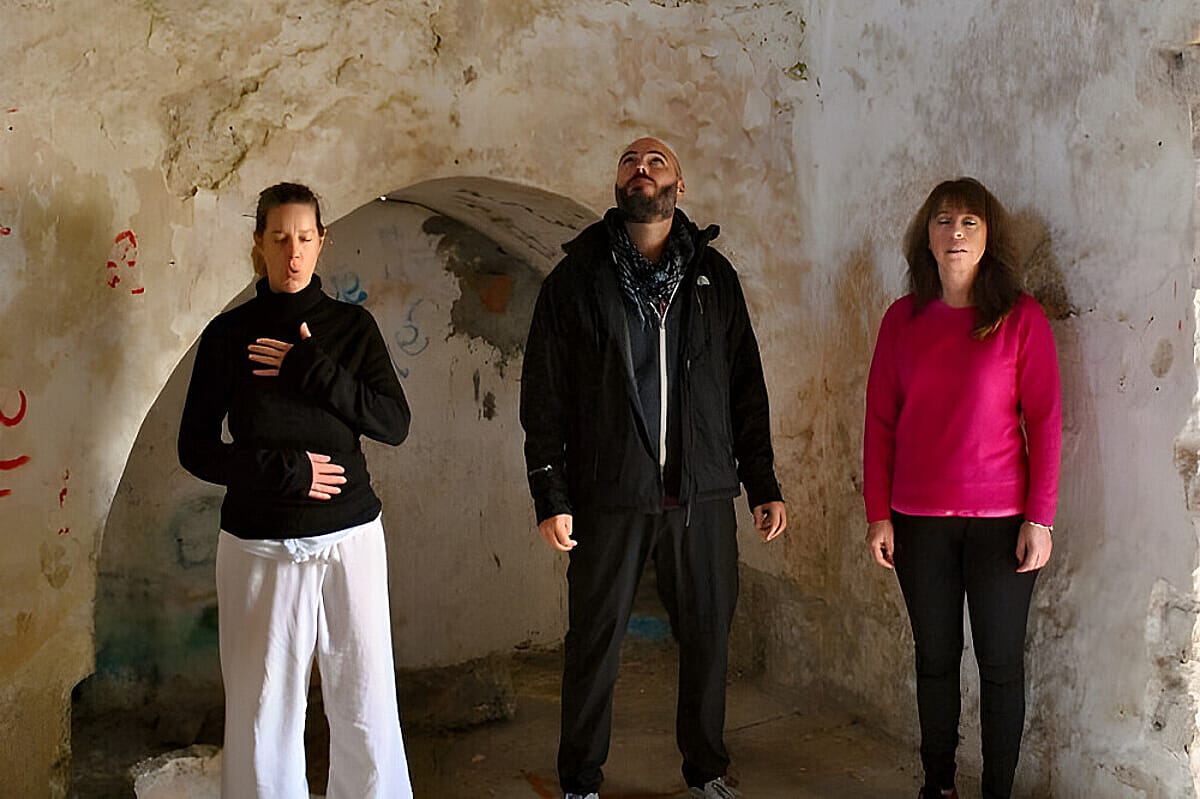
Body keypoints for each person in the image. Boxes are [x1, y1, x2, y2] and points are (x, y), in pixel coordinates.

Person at [520, 137, 787, 799]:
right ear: (619, 184)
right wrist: (550, 493)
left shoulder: (712, 278)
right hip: (609, 491)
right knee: (596, 637)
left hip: (701, 492)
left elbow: (745, 385)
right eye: (630, 161)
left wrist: (763, 482)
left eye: (656, 160)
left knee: (707, 635)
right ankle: (580, 779)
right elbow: (544, 395)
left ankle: (705, 770)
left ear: (680, 187)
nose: (642, 168)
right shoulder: (577, 278)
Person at [178, 182, 414, 798]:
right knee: (263, 713)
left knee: (364, 699)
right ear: (259, 243)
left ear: (321, 242)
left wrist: (313, 370)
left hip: (353, 538)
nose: (292, 252)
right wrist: (286, 472)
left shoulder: (350, 328)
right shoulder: (229, 336)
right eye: (279, 238)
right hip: (260, 545)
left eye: (304, 238)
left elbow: (393, 423)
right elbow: (196, 448)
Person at [863, 178, 1062, 799]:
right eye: (944, 221)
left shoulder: (1019, 317)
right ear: (926, 236)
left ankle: (996, 790)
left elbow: (1046, 420)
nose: (955, 233)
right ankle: (939, 784)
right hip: (917, 521)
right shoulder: (903, 320)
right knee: (935, 660)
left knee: (1001, 665)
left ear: (988, 237)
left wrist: (1041, 518)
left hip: (1004, 522)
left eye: (970, 223)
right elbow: (879, 421)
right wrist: (878, 514)